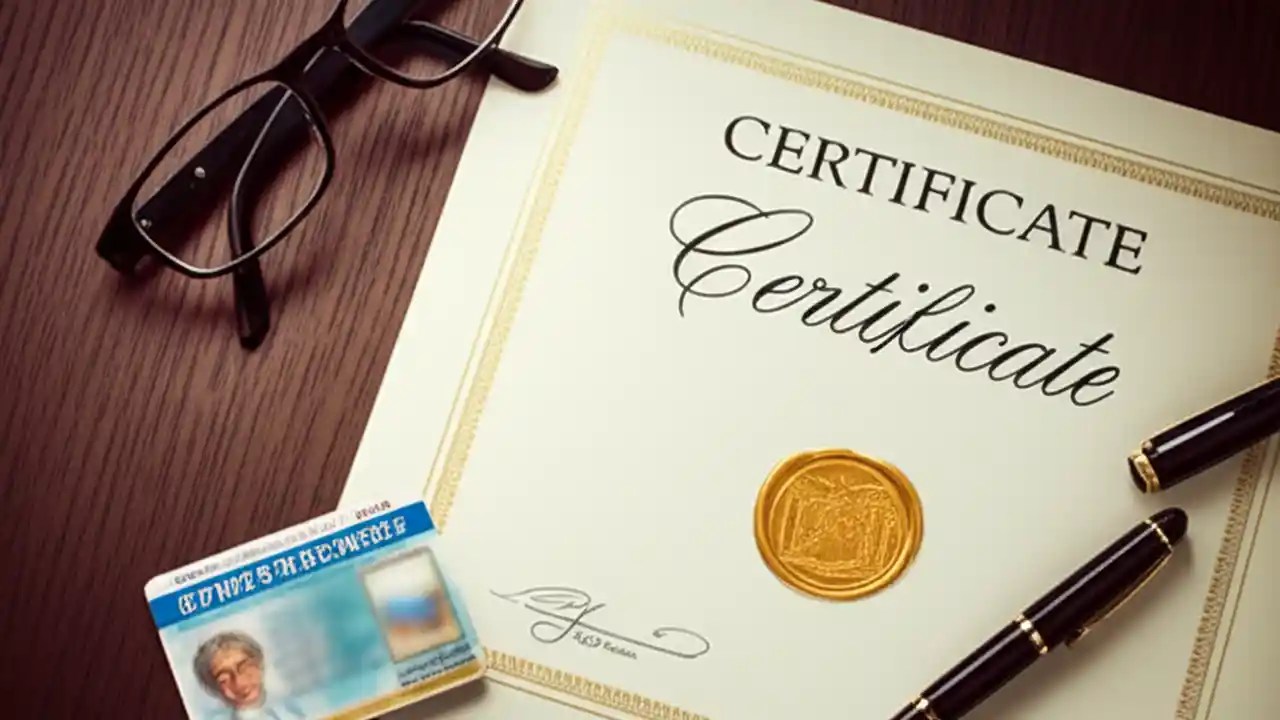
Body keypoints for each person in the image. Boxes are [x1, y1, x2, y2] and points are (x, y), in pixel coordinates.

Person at [192, 631, 305, 719]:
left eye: (244, 668)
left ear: (259, 664)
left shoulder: (298, 706)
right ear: (212, 688)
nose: (239, 682)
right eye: (224, 680)